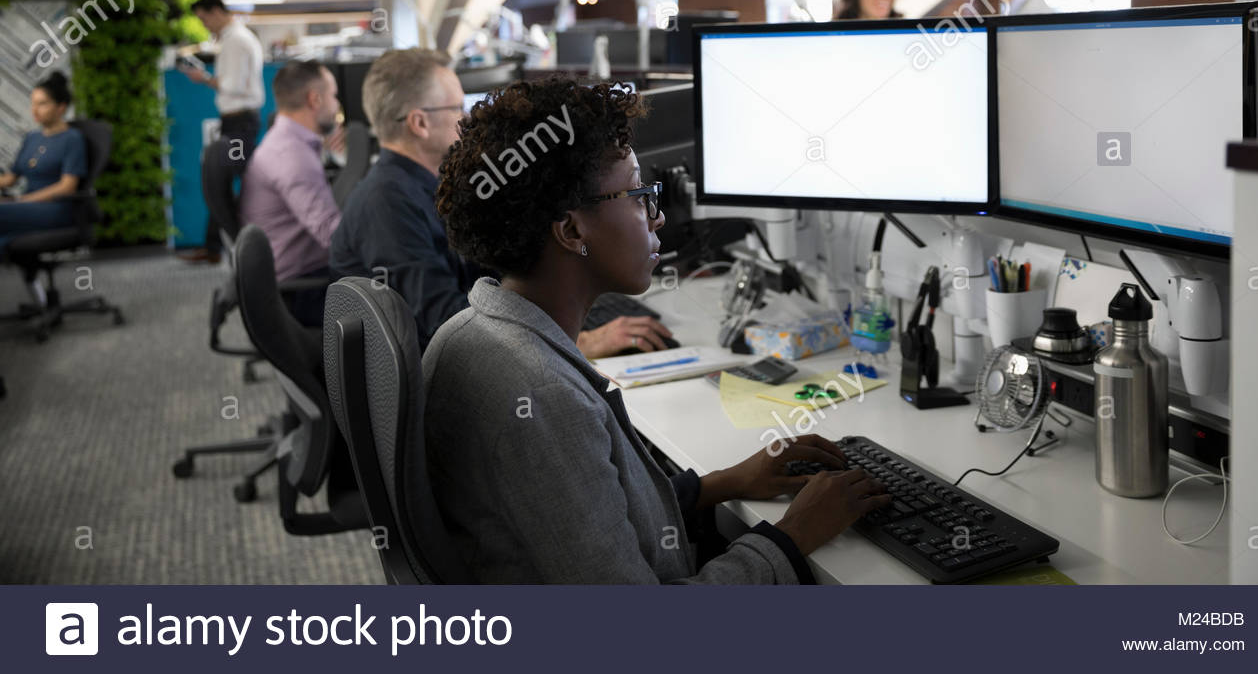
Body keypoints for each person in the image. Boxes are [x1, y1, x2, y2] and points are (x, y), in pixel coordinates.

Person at [424, 78, 891, 583]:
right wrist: (793, 535)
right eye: (639, 194)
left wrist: (720, 483)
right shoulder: (544, 396)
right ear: (572, 230)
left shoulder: (470, 333)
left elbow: (587, 515)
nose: (658, 215)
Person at [330, 50, 662, 357]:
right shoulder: (386, 203)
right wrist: (583, 340)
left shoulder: (423, 186)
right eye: (456, 108)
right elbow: (439, 320)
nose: (466, 117)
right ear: (419, 123)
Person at [240, 62, 343, 326]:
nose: (337, 105)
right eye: (333, 95)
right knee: (403, 291)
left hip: (292, 278)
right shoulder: (292, 155)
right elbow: (333, 237)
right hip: (303, 290)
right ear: (314, 99)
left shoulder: (285, 141)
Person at [180, 0, 265, 263]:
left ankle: (246, 244)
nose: (204, 25)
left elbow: (234, 85)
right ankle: (216, 246)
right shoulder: (233, 39)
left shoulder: (237, 41)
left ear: (216, 11)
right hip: (235, 122)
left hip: (241, 123)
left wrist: (204, 79)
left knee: (238, 183)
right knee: (218, 182)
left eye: (204, 19)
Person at [0, 73, 87, 267]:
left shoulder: (72, 139)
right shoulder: (32, 138)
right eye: (33, 103)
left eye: (43, 104)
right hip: (26, 206)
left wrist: (22, 200)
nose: (35, 110)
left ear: (61, 107)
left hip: (55, 209)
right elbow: (10, 179)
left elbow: (67, 187)